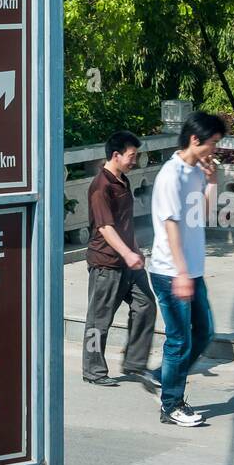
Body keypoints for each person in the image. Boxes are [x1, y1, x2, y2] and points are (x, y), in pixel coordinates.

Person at [149, 110, 227, 426]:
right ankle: (171, 405)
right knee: (179, 339)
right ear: (195, 139)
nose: (215, 150)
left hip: (191, 270)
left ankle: (163, 376)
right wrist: (181, 273)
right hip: (171, 272)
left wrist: (211, 183)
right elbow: (171, 227)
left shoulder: (196, 172)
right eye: (213, 143)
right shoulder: (171, 175)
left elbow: (201, 215)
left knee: (204, 331)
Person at [83, 130, 158, 390]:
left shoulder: (122, 180)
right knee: (98, 321)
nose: (134, 160)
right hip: (106, 263)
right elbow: (105, 227)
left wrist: (135, 250)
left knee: (146, 304)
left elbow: (125, 224)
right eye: (131, 156)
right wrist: (126, 253)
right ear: (116, 155)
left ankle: (135, 363)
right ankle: (93, 369)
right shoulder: (100, 187)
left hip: (129, 261)